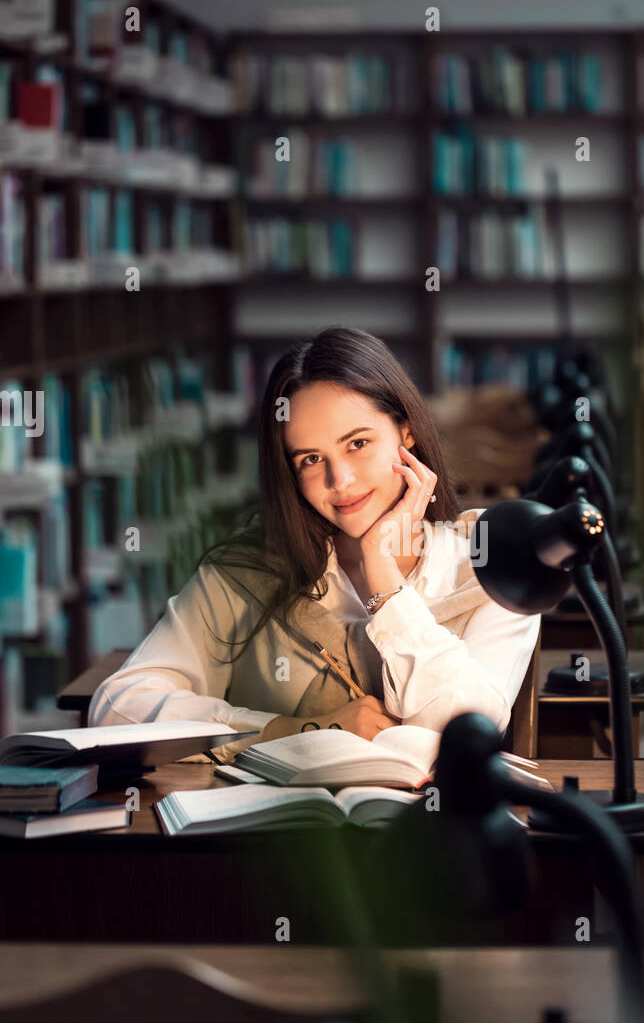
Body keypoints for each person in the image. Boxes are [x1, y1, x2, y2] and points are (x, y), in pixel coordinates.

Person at [88, 327, 540, 763]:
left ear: (406, 432)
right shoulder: (249, 573)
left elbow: (462, 729)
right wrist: (292, 731)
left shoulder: (495, 566)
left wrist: (384, 579)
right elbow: (117, 711)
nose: (339, 481)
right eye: (310, 459)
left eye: (358, 443)